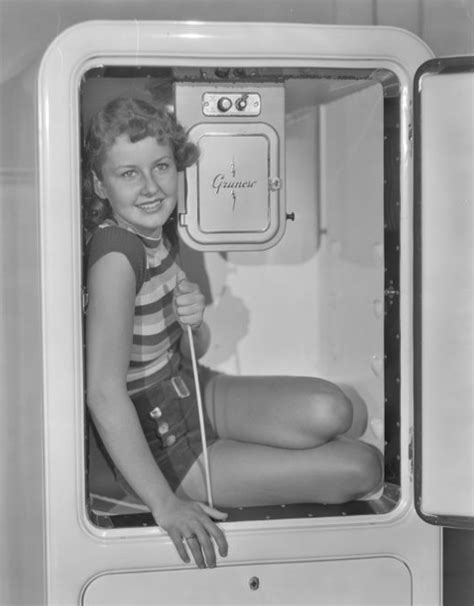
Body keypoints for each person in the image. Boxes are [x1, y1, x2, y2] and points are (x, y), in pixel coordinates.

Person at [83, 97, 383, 570]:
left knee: (338, 409)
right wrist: (165, 505)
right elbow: (102, 393)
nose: (151, 187)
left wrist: (195, 320)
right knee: (362, 467)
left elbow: (191, 348)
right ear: (100, 184)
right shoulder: (118, 256)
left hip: (191, 390)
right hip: (164, 449)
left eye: (161, 166)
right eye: (128, 174)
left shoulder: (159, 234)